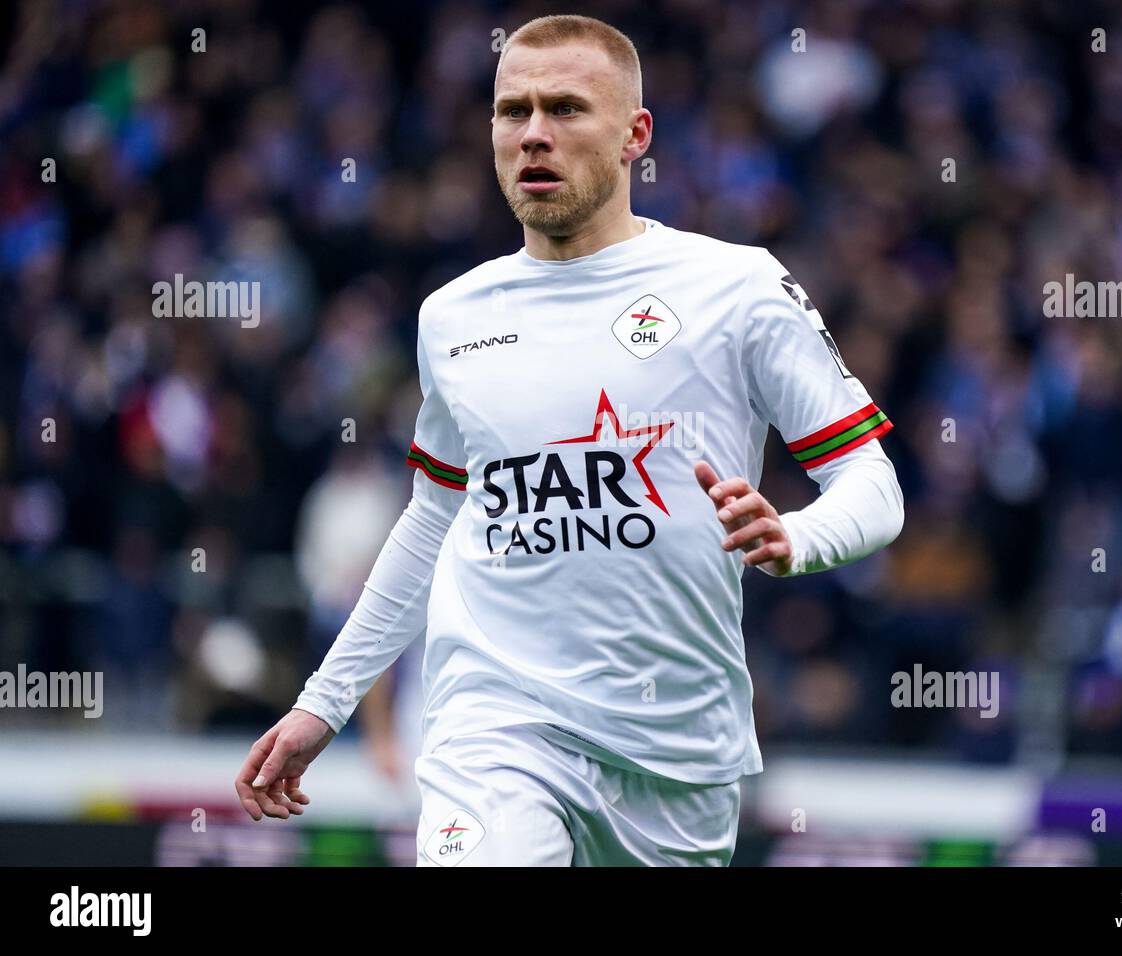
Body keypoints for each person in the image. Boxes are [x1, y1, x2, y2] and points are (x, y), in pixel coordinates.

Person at [234, 13, 904, 866]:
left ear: (636, 135)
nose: (535, 135)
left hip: (676, 752)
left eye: (565, 109)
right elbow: (433, 521)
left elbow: (874, 486)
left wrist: (796, 536)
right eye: (513, 112)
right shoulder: (454, 317)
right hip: (494, 723)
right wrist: (321, 703)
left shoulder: (737, 288)